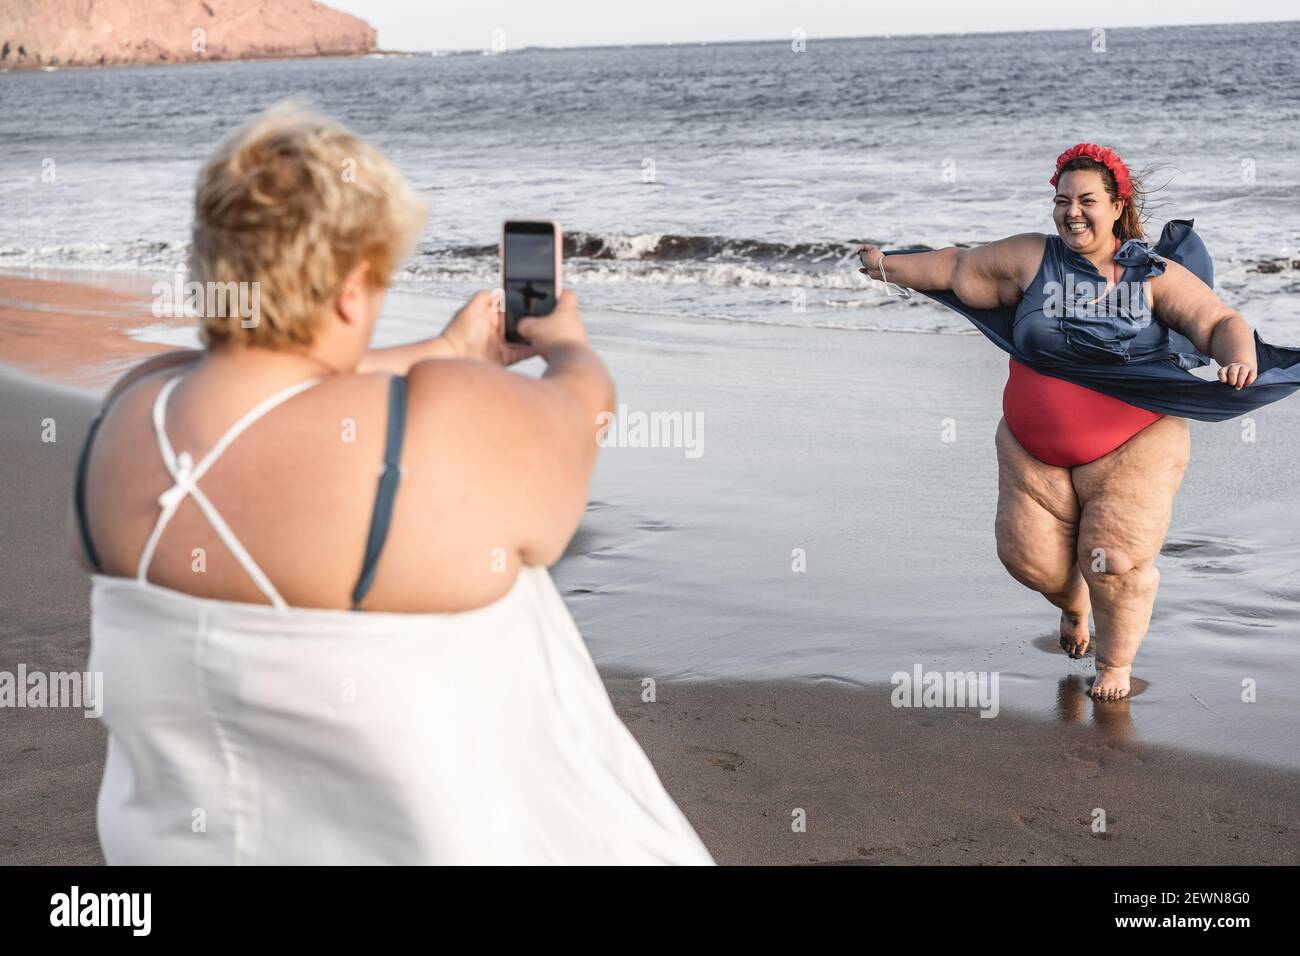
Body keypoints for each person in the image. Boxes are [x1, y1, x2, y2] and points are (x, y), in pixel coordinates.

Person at [71, 101, 714, 865]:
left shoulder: (132, 411)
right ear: (350, 289)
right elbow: (584, 415)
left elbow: (270, 383)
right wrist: (567, 344)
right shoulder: (439, 422)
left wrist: (444, 348)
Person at [855, 143, 1300, 701]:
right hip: (1030, 452)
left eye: (1087, 200)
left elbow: (1217, 320)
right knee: (1028, 562)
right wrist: (887, 266)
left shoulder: (1153, 274)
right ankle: (1074, 605)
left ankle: (1114, 663)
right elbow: (955, 267)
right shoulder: (1028, 258)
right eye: (1062, 200)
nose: (1072, 211)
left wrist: (1239, 358)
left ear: (1117, 206)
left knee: (1112, 558)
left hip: (1134, 444)